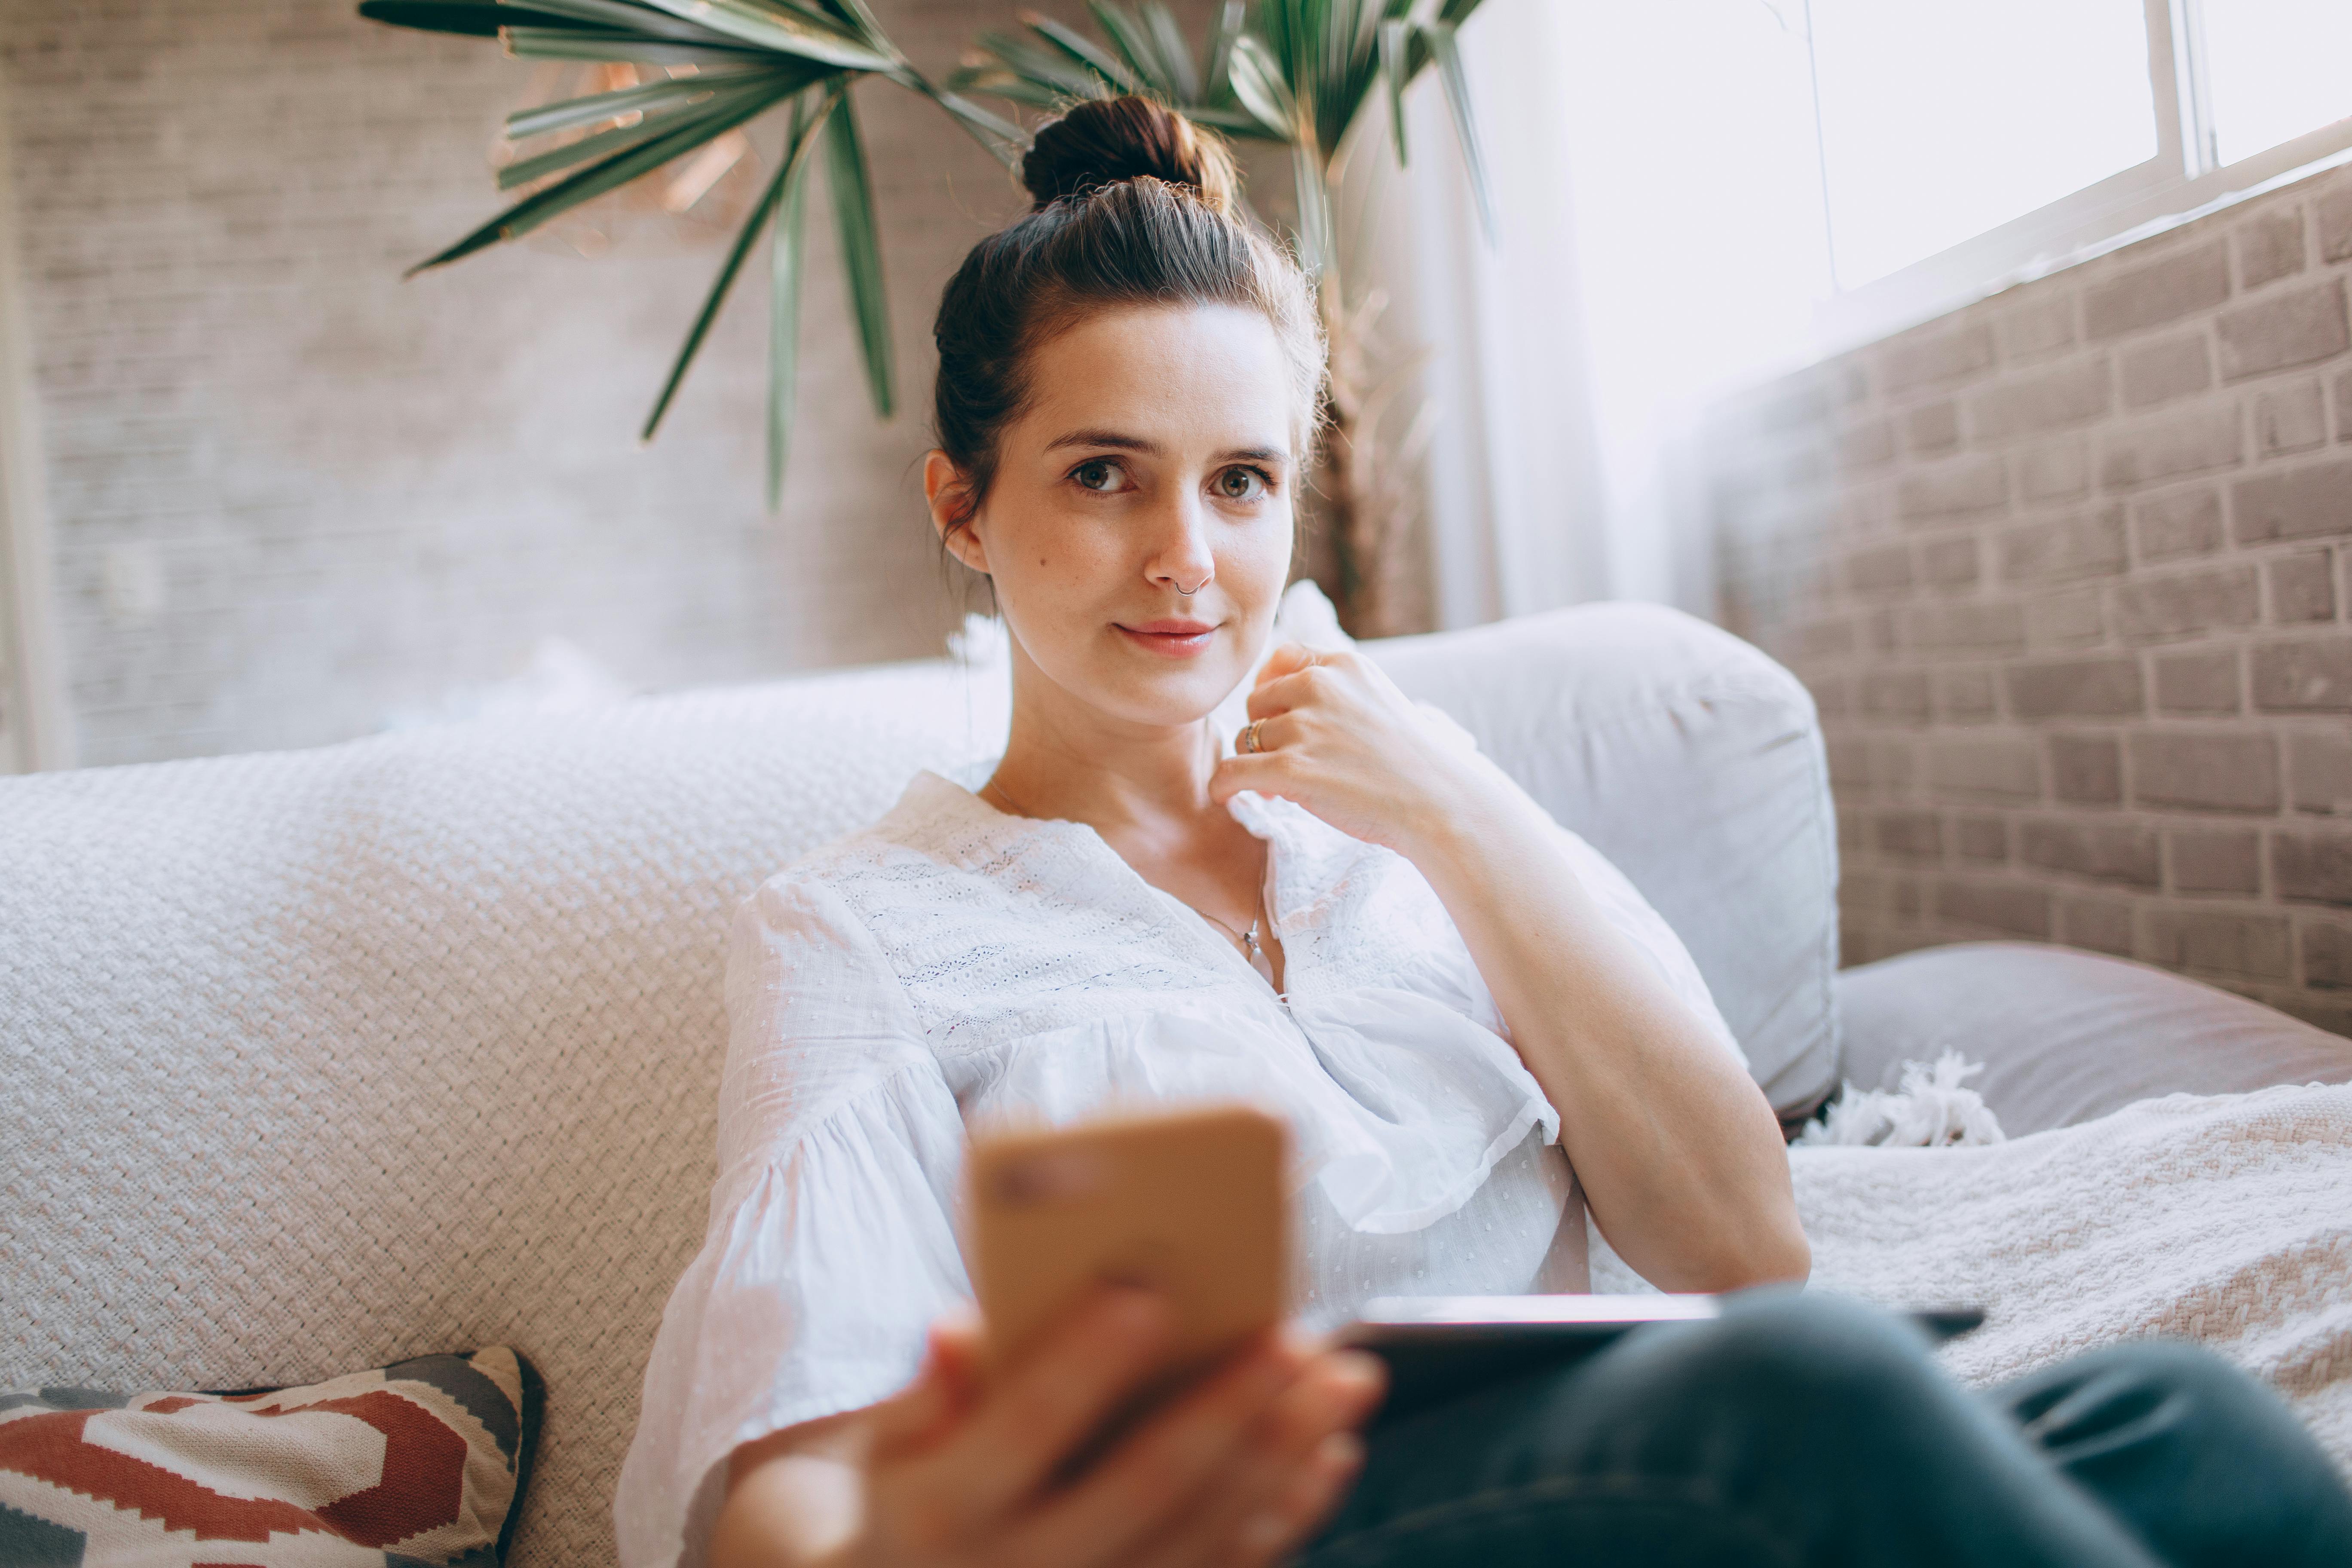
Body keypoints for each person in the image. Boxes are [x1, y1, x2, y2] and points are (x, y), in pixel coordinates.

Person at [615, 96, 2352, 1568]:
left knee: (2175, 1419)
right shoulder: (862, 928)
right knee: (1812, 1388)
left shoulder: (1403, 805)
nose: (1185, 557)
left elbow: (1743, 1242)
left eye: (1239, 480)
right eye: (1100, 474)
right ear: (964, 509)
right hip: (1278, 1531)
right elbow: (785, 1496)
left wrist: (1450, 809)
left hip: (1632, 1455)